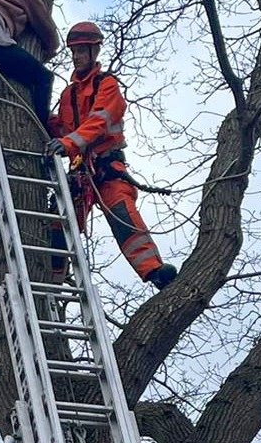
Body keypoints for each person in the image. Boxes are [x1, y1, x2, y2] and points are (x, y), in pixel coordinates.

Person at [46, 21, 178, 290]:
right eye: (74, 51)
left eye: (82, 50)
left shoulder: (107, 85)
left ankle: (153, 270)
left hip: (107, 168)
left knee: (122, 215)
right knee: (58, 219)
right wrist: (48, 123)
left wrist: (68, 142)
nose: (77, 56)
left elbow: (100, 121)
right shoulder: (68, 94)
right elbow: (65, 127)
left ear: (94, 51)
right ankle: (53, 278)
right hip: (81, 172)